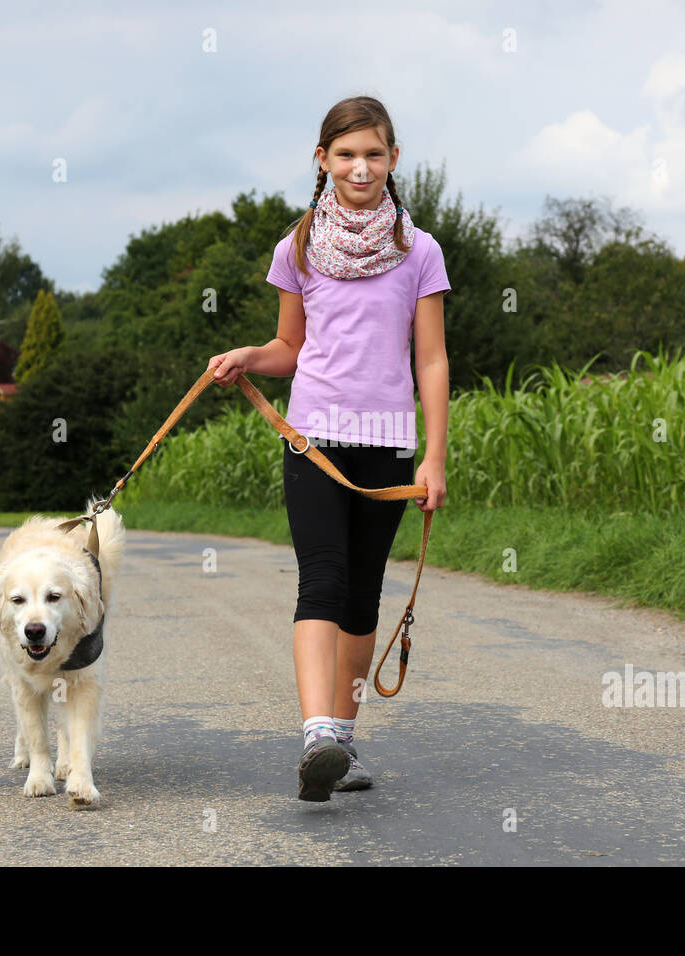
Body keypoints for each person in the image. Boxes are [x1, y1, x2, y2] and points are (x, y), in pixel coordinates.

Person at [207, 96, 449, 802]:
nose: (360, 166)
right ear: (322, 160)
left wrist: (434, 456)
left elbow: (431, 359)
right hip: (314, 441)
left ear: (393, 160)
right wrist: (252, 354)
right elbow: (291, 346)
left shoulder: (419, 250)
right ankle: (318, 731)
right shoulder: (298, 247)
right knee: (324, 578)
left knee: (364, 596)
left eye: (373, 153)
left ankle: (343, 740)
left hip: (388, 446)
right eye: (345, 154)